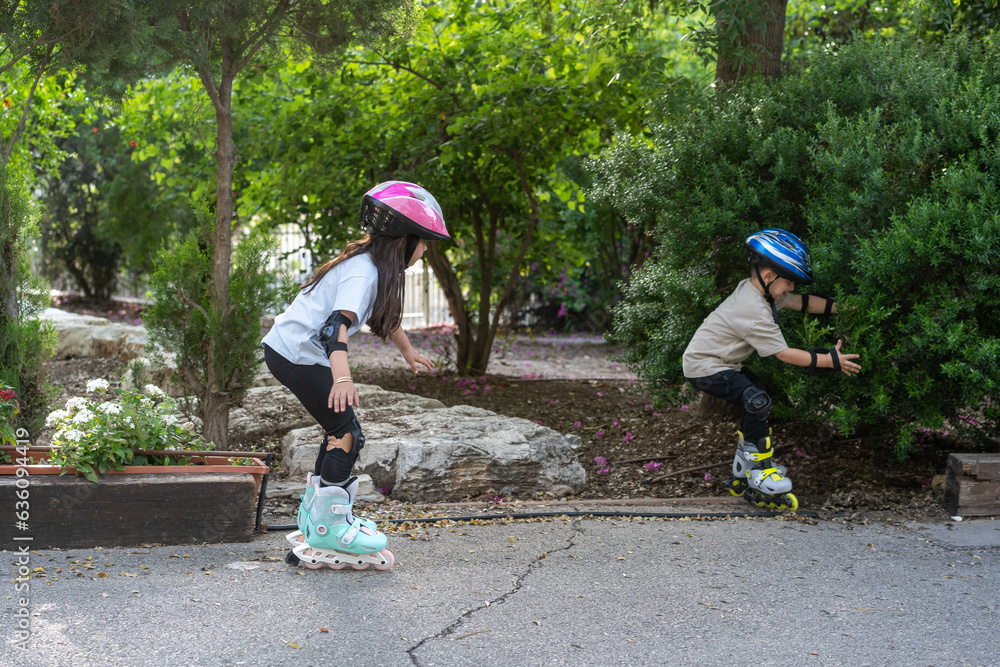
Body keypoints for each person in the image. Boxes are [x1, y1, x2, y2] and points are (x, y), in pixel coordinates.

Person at [262, 181, 450, 569]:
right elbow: (334, 328)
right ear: (405, 240)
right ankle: (330, 528)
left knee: (340, 430)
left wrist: (407, 350)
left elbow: (383, 317)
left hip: (293, 350)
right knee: (347, 433)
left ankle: (316, 521)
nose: (425, 251)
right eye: (424, 243)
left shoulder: (372, 265)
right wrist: (343, 379)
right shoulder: (364, 273)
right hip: (296, 354)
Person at [682, 228, 861, 511]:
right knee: (757, 400)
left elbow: (801, 302)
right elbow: (784, 354)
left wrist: (844, 308)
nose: (791, 287)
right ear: (768, 276)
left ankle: (745, 465)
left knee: (759, 394)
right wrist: (829, 360)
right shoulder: (752, 310)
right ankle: (760, 470)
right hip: (705, 368)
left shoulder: (760, 291)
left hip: (720, 364)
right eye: (789, 281)